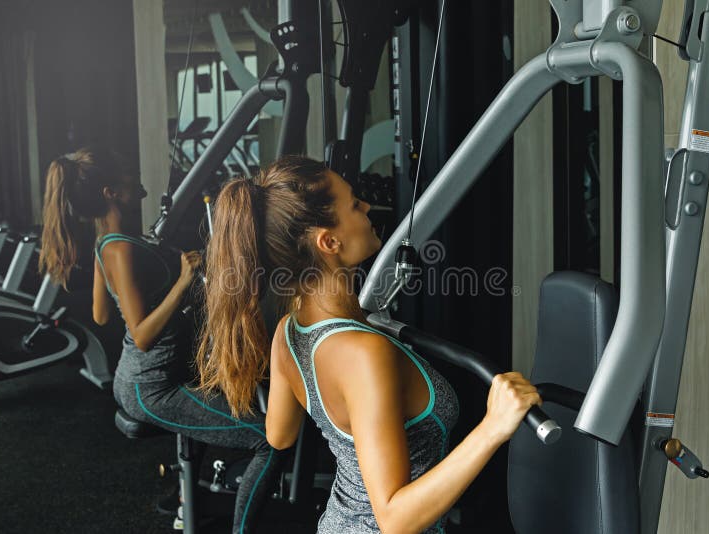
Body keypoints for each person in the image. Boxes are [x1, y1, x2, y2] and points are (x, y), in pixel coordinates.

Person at [197, 155, 542, 533]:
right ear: (329, 241)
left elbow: (280, 435)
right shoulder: (363, 354)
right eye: (353, 204)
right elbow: (395, 519)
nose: (366, 207)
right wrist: (493, 427)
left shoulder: (290, 332)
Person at [39, 146, 281, 534]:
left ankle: (191, 503)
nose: (138, 184)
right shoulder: (119, 250)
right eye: (127, 181)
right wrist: (182, 282)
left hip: (148, 377)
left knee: (223, 398)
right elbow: (142, 335)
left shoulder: (110, 243)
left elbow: (103, 314)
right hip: (152, 386)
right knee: (268, 439)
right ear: (110, 194)